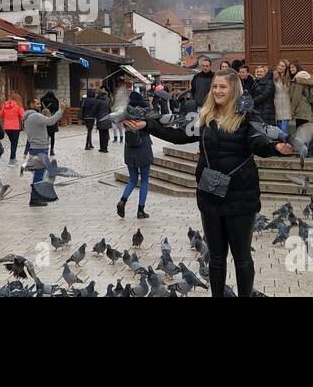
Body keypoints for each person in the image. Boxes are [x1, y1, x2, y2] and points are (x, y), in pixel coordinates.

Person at [128, 71, 294, 297]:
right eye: (215, 86)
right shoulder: (205, 116)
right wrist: (146, 126)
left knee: (242, 256)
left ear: (233, 89)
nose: (217, 91)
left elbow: (258, 143)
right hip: (210, 194)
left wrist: (275, 148)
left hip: (239, 195)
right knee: (215, 257)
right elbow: (179, 136)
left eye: (222, 87)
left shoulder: (247, 116)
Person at [117, 89, 153, 219]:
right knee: (144, 181)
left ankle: (122, 201)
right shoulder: (145, 112)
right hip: (143, 148)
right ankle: (140, 210)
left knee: (132, 179)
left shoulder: (125, 114)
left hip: (130, 148)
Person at [23, 98, 64, 207]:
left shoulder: (26, 116)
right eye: (37, 103)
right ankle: (34, 199)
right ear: (31, 104)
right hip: (40, 148)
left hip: (34, 147)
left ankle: (36, 197)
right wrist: (61, 110)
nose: (40, 105)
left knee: (39, 174)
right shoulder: (35, 116)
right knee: (39, 175)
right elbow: (50, 121)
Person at [290, 70, 313, 153]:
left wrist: (292, 109)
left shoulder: (299, 82)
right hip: (308, 109)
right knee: (308, 131)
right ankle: (310, 151)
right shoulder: (309, 82)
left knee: (301, 131)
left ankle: (303, 151)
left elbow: (296, 97)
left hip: (301, 110)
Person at [0, 92, 25, 165]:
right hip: (15, 127)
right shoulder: (18, 106)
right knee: (14, 143)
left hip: (7, 127)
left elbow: (1, 114)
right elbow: (22, 116)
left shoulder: (5, 105)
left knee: (12, 143)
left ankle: (14, 157)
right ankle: (12, 159)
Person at [272, 59, 293, 134]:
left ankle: (284, 141)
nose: (280, 67)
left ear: (286, 68)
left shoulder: (290, 78)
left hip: (286, 104)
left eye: (282, 66)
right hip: (276, 102)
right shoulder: (273, 76)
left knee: (284, 127)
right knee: (278, 127)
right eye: (279, 65)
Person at [41, 90, 61, 155]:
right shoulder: (55, 101)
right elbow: (57, 111)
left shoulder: (42, 100)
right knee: (52, 136)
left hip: (44, 120)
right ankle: (52, 150)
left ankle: (45, 149)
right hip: (52, 120)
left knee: (45, 136)